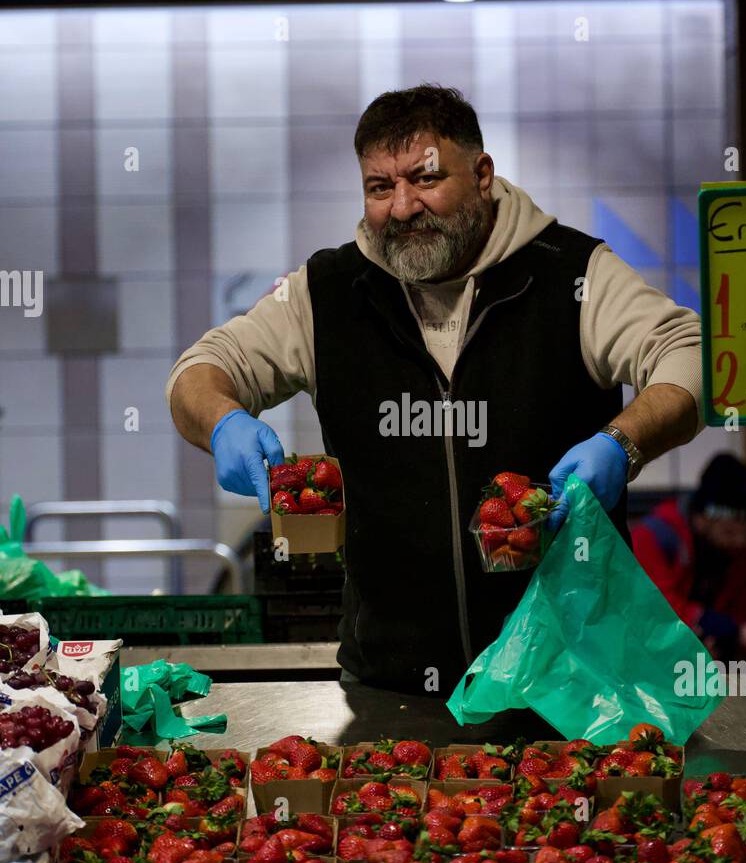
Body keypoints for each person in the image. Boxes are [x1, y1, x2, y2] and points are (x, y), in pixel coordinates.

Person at [166, 84, 703, 696]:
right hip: (391, 682)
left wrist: (622, 441)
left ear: (481, 175)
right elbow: (201, 369)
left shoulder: (573, 274)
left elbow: (690, 356)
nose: (402, 207)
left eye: (424, 180)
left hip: (572, 681)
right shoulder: (329, 292)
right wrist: (221, 421)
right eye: (379, 187)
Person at [631, 453, 746, 661]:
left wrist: (724, 642)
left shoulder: (741, 553)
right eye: (730, 532)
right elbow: (657, 609)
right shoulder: (653, 538)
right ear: (703, 518)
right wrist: (733, 633)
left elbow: (738, 611)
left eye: (744, 533)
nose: (739, 542)